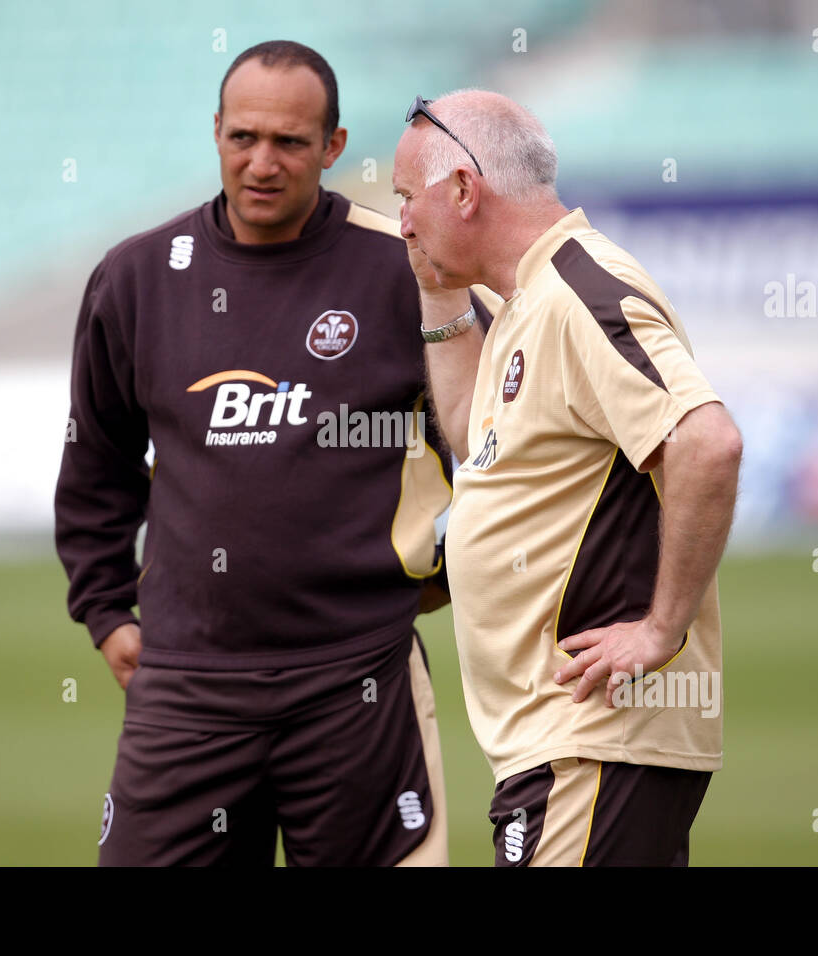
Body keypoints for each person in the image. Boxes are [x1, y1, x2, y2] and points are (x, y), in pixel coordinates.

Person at [55, 41, 479, 866]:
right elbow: (95, 464)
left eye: (289, 142)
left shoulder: (407, 269)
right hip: (186, 684)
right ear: (215, 131)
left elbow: (497, 444)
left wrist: (452, 572)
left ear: (332, 146)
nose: (262, 163)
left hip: (357, 677)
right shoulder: (138, 277)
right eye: (243, 137)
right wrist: (105, 611)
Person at [392, 90, 743, 866]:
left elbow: (708, 443)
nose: (403, 224)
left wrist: (659, 630)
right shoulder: (528, 302)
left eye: (408, 200)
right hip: (569, 750)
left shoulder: (579, 292)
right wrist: (439, 290)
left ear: (463, 190)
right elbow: (471, 440)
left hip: (592, 742)